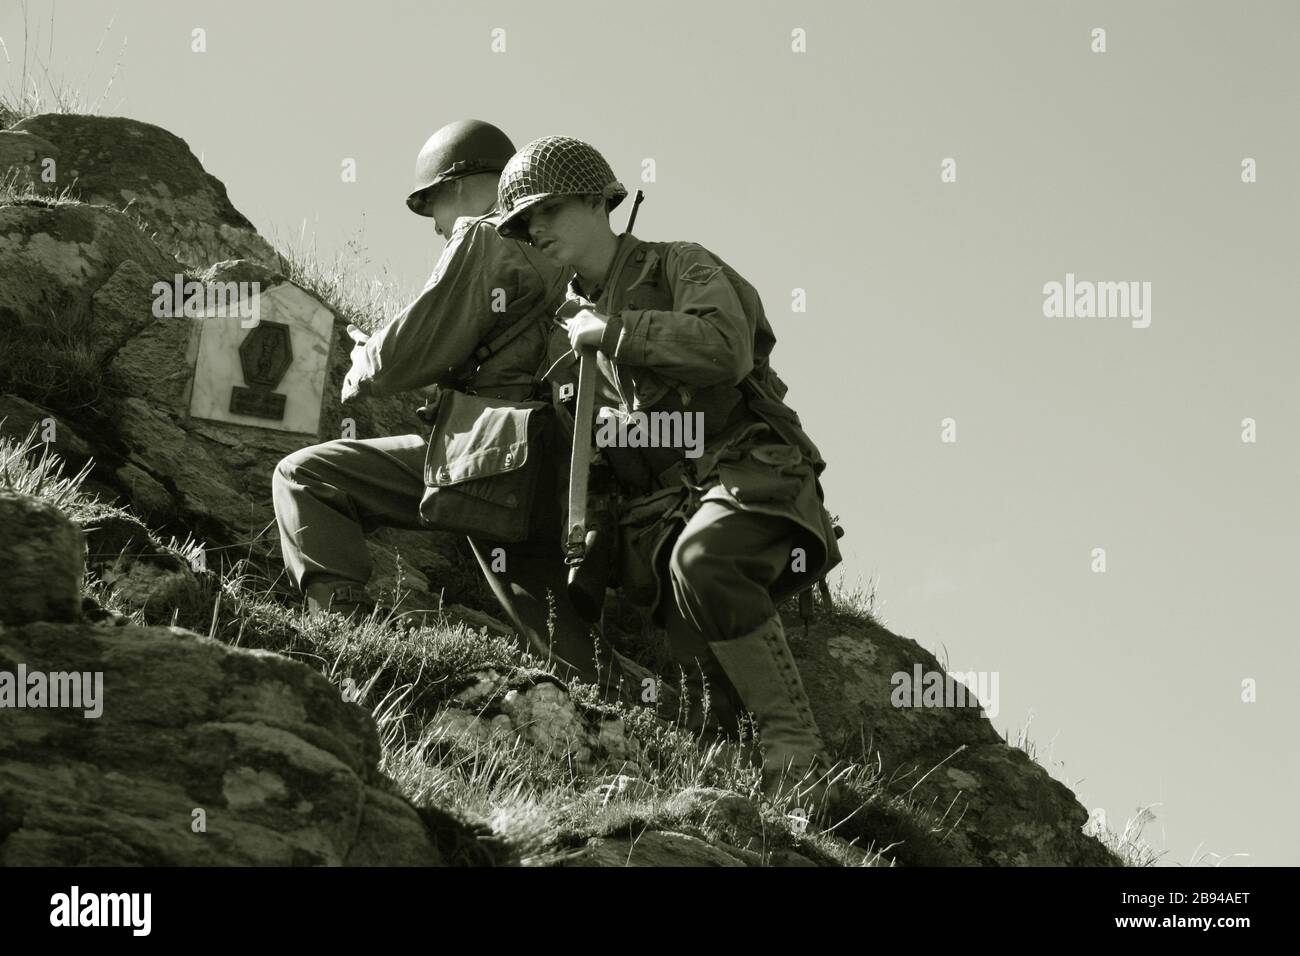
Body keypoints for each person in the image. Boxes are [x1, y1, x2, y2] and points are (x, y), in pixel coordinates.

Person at [493, 136, 845, 809]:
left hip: (751, 471)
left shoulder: (678, 265)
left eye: (548, 210)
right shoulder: (562, 332)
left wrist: (616, 333)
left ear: (600, 201)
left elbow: (726, 350)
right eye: (521, 225)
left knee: (705, 561)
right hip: (655, 516)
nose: (536, 230)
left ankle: (797, 756)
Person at [270, 120, 647, 701]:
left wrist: (364, 360)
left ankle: (336, 632)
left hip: (497, 457)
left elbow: (410, 346)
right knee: (560, 640)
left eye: (433, 207)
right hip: (566, 464)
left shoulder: (485, 236)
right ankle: (669, 724)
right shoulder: (569, 257)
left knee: (306, 476)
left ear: (463, 184)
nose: (437, 226)